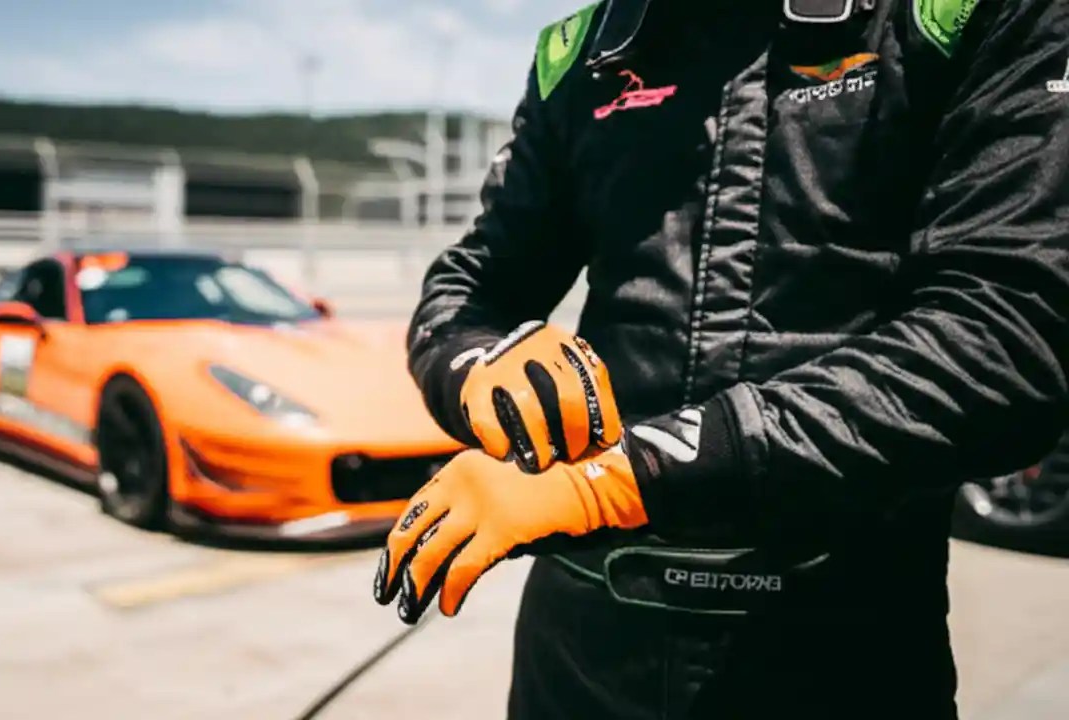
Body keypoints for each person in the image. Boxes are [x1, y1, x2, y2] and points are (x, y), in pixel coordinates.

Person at [370, 0, 1069, 718]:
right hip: (579, 652)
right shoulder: (584, 51)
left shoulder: (963, 14)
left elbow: (1005, 339)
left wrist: (618, 482)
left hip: (840, 648)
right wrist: (477, 364)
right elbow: (472, 288)